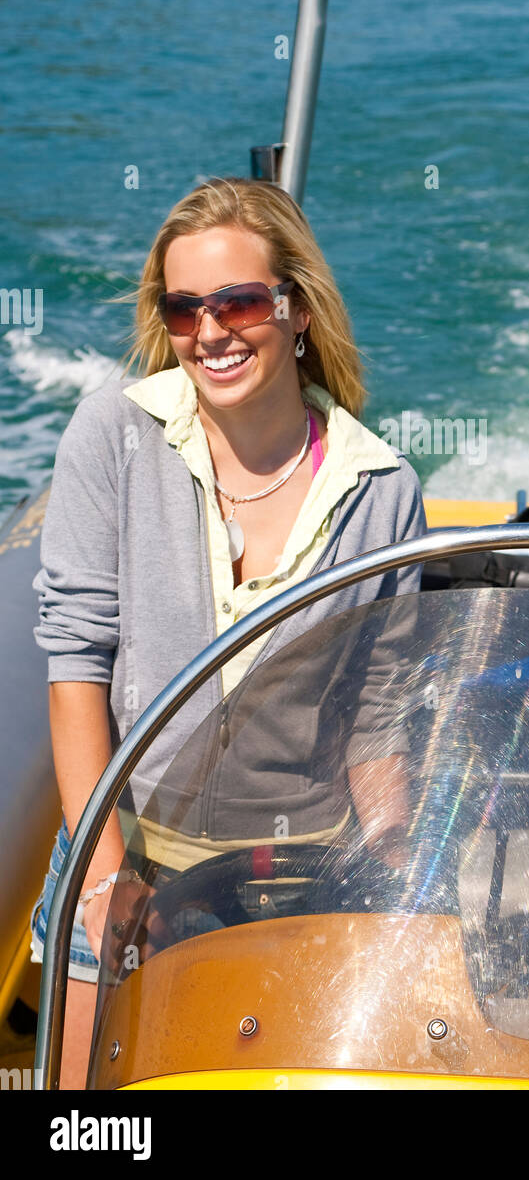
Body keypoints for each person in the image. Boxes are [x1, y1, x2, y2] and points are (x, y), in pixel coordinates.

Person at [29, 177, 427, 1088]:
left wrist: (400, 866)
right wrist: (102, 882)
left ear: (296, 311)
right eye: (183, 309)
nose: (211, 331)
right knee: (87, 1126)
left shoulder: (383, 489)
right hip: (120, 853)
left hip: (296, 872)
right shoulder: (114, 436)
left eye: (239, 301)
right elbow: (78, 661)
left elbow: (377, 711)